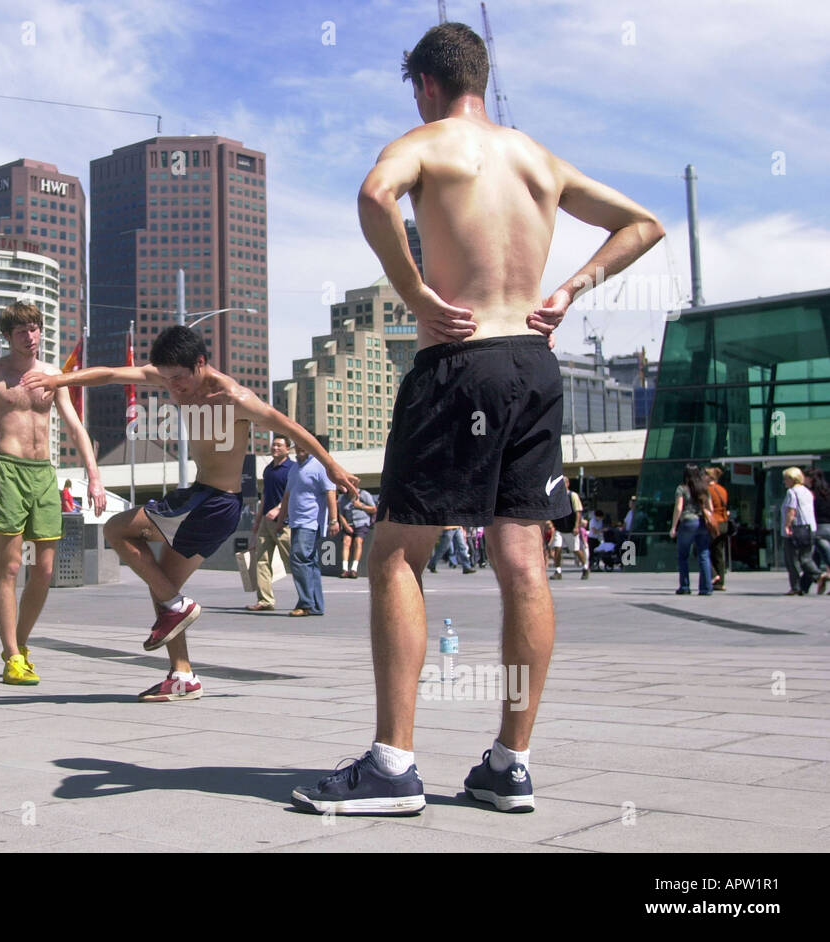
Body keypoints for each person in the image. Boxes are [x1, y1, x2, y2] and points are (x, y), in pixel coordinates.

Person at [291, 22, 664, 816]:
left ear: (425, 84)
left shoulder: (427, 142)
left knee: (393, 553)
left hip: (460, 363)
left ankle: (393, 767)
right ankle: (509, 764)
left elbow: (371, 195)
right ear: (482, 80)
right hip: (534, 363)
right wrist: (571, 289)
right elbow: (645, 224)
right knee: (522, 558)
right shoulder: (538, 159)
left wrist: (419, 293)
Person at [23, 325, 357, 701]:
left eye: (179, 379)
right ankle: (182, 674)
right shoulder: (171, 377)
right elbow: (111, 373)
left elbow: (292, 428)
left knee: (117, 530)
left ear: (201, 363)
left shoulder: (236, 397)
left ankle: (178, 608)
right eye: (167, 380)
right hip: (205, 498)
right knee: (162, 583)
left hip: (215, 501)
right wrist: (59, 379)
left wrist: (333, 467)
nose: (174, 389)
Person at [0, 301, 106, 686]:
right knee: (9, 567)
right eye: (21, 331)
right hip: (8, 472)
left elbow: (76, 427)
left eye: (34, 328)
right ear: (8, 336)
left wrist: (94, 477)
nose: (30, 337)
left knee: (44, 570)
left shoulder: (51, 375)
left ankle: (19, 646)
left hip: (44, 473)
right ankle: (13, 655)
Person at [279, 438, 340, 615]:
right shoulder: (294, 468)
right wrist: (281, 519)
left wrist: (334, 520)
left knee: (299, 559)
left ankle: (305, 604)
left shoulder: (319, 466)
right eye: (297, 445)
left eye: (304, 445)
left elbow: (331, 492)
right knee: (309, 562)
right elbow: (287, 495)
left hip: (310, 522)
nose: (300, 448)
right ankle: (315, 606)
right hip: (296, 522)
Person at [246, 435, 296, 609]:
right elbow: (265, 496)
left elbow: (293, 494)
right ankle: (265, 600)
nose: (275, 448)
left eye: (279, 445)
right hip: (266, 522)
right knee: (261, 560)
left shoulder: (293, 468)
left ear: (288, 449)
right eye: (273, 445)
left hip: (284, 522)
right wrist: (257, 521)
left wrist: (279, 508)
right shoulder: (268, 470)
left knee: (292, 561)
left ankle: (307, 599)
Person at [669, 464, 714, 596]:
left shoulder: (681, 488)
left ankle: (685, 586)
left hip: (688, 522)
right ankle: (706, 588)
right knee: (704, 555)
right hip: (701, 523)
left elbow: (678, 508)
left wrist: (673, 527)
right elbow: (710, 508)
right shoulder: (704, 488)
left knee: (683, 556)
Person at [780, 467, 820, 596]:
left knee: (792, 560)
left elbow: (791, 511)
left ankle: (799, 585)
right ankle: (818, 576)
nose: (784, 481)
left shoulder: (792, 492)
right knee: (806, 557)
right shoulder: (807, 492)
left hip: (796, 529)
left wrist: (787, 526)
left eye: (786, 479)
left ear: (792, 479)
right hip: (810, 528)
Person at [550, 477, 588, 580]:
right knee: (557, 548)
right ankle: (558, 571)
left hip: (570, 528)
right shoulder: (556, 497)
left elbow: (578, 511)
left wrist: (576, 526)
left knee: (575, 550)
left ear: (567, 484)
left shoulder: (572, 495)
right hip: (559, 527)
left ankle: (585, 567)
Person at [338, 484, 378, 578]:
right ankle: (345, 569)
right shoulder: (343, 498)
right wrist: (346, 526)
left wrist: (361, 506)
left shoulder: (364, 494)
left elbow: (374, 509)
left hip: (362, 523)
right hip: (349, 524)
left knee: (358, 541)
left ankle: (354, 569)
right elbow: (341, 514)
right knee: (346, 542)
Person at [705, 466, 729, 590]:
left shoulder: (707, 490)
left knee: (702, 550)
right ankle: (721, 582)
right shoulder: (722, 490)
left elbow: (708, 507)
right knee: (719, 552)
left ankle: (714, 575)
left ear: (709, 477)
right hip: (724, 522)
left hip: (713, 523)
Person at [806, 468, 830, 592]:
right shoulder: (827, 490)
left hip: (819, 527)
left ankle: (822, 577)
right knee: (815, 557)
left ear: (811, 479)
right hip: (828, 525)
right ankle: (803, 585)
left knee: (826, 556)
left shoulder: (810, 493)